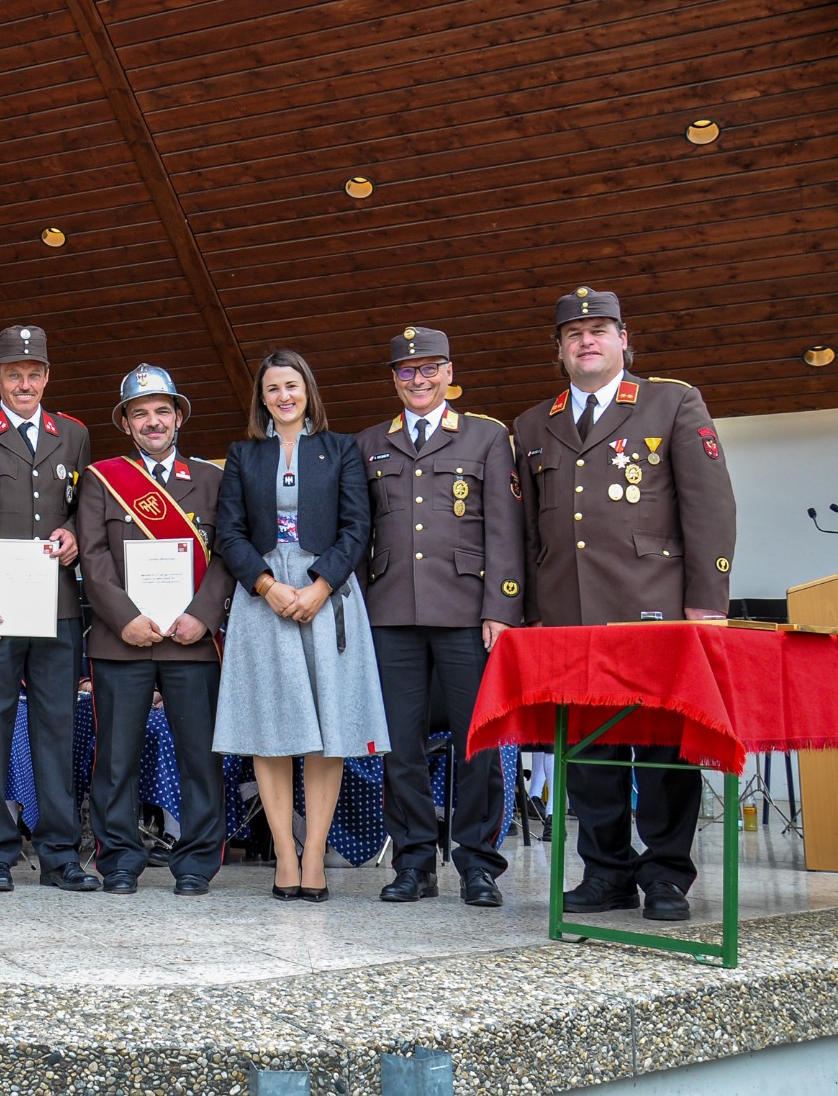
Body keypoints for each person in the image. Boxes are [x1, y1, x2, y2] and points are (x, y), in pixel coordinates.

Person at [513, 286, 736, 921]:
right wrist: (528, 611)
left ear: (622, 339)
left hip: (653, 609)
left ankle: (666, 875)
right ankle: (606, 872)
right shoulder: (533, 425)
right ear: (559, 349)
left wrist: (706, 599)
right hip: (566, 615)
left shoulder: (672, 402)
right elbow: (528, 532)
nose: (587, 340)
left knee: (663, 750)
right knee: (588, 754)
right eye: (574, 332)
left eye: (599, 329)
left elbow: (710, 507)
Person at [355, 326, 524, 908]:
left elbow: (506, 529)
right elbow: (361, 532)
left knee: (477, 742)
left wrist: (502, 607)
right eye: (407, 371)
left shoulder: (485, 437)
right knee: (400, 746)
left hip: (465, 612)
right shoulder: (370, 442)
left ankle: (478, 865)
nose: (418, 380)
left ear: (449, 374)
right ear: (394, 380)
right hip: (392, 612)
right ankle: (413, 863)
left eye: (429, 369)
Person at [213, 349, 384, 902]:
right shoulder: (243, 455)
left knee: (324, 735)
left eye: (292, 385)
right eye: (272, 389)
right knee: (272, 731)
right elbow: (229, 533)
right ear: (261, 399)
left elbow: (358, 528)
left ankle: (315, 856)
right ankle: (284, 856)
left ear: (308, 390)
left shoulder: (341, 450)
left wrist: (319, 586)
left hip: (326, 593)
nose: (283, 396)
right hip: (263, 597)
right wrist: (267, 586)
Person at [76, 366, 234, 895]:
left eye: (162, 410)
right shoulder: (102, 479)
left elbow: (227, 557)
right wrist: (126, 619)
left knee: (199, 758)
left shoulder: (213, 480)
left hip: (193, 642)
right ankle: (119, 859)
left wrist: (203, 615)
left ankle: (196, 862)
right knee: (116, 759)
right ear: (126, 423)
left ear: (179, 416)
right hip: (123, 642)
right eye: (140, 413)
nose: (152, 421)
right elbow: (93, 558)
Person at [0, 325, 96, 892]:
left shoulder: (75, 434)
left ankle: (60, 853)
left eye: (34, 374)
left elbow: (87, 506)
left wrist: (74, 532)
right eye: (14, 374)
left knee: (56, 728)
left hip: (57, 608)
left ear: (47, 377)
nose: (25, 383)